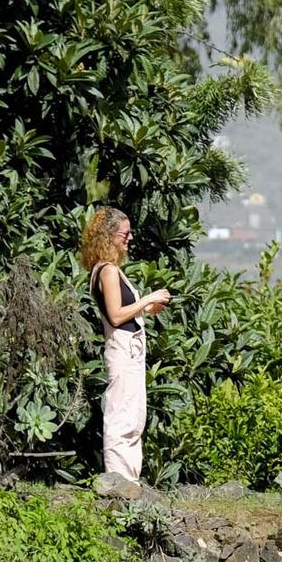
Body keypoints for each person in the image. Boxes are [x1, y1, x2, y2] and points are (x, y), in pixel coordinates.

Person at [80, 206, 171, 488]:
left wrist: (145, 309)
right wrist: (147, 299)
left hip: (129, 352)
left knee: (134, 417)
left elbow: (122, 312)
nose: (129, 238)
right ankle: (119, 483)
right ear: (110, 236)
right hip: (121, 352)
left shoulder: (110, 270)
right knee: (122, 416)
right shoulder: (107, 271)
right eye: (125, 233)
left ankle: (129, 481)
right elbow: (116, 315)